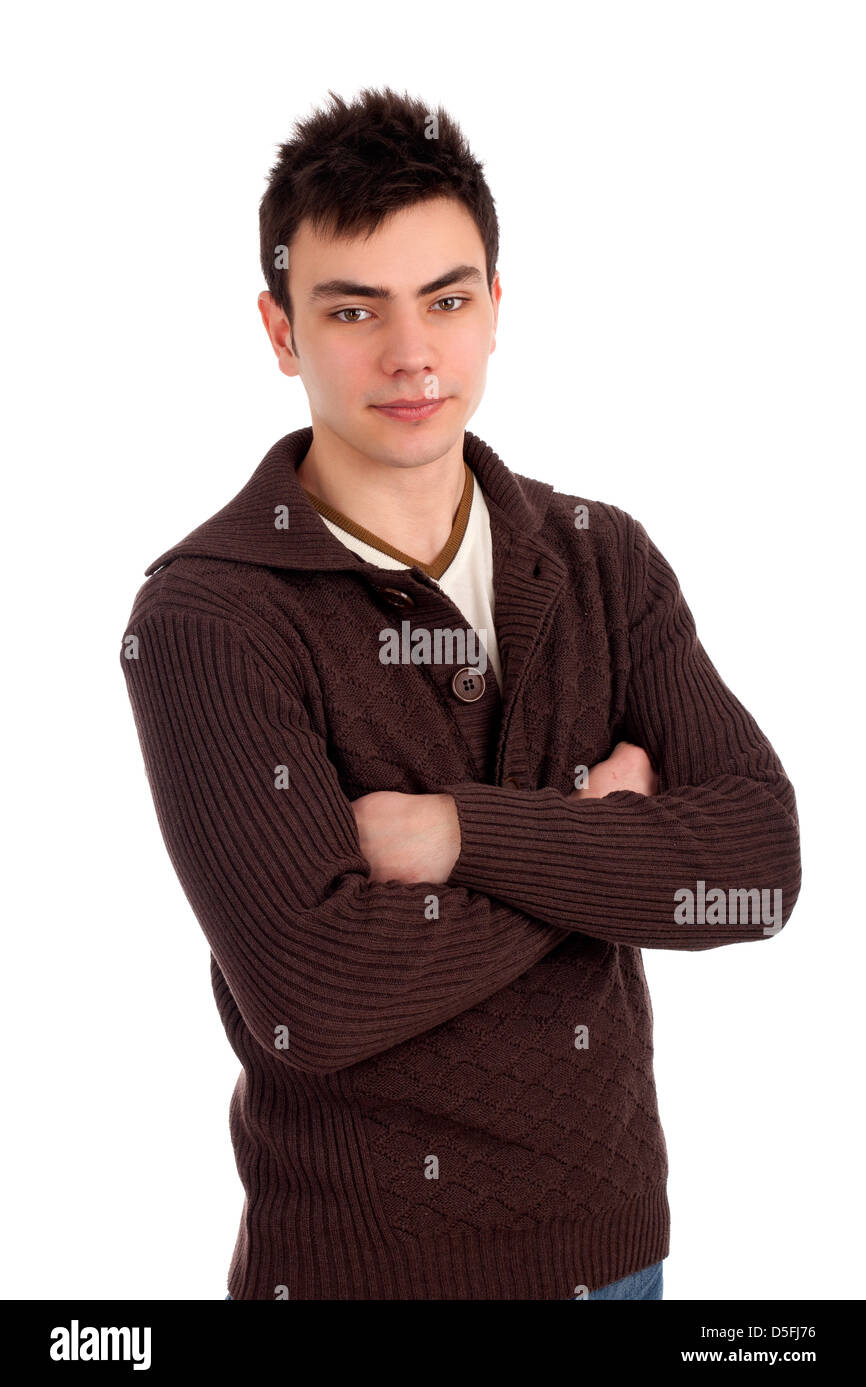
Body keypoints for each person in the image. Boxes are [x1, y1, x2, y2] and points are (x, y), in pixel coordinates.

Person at [120, 87, 801, 1301]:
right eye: (352, 311)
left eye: (446, 299)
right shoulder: (208, 616)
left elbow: (755, 865)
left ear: (496, 309)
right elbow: (316, 996)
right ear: (280, 332)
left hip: (617, 1260)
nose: (411, 355)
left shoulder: (602, 556)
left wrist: (462, 835)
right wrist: (601, 847)